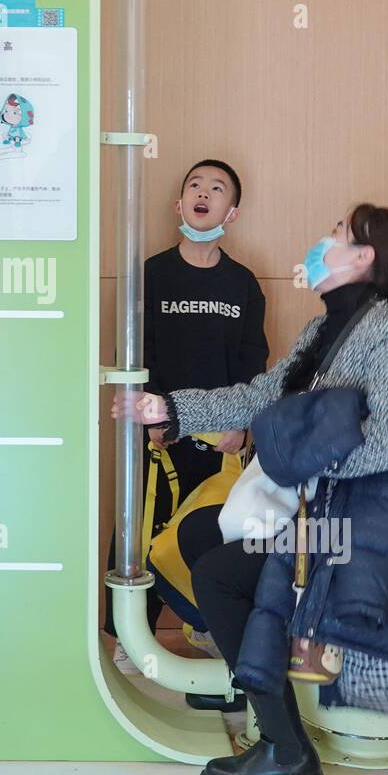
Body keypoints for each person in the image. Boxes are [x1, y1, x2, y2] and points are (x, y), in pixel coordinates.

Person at [113, 204, 388, 775]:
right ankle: (252, 686)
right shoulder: (325, 335)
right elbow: (258, 397)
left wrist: (303, 455)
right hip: (329, 525)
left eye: (338, 235)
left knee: (221, 573)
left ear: (364, 257)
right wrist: (169, 409)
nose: (322, 242)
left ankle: (288, 753)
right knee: (198, 536)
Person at [105, 159, 268, 671]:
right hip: (158, 433)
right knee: (140, 531)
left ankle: (208, 626)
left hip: (221, 441)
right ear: (179, 205)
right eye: (194, 186)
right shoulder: (151, 274)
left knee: (213, 530)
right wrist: (150, 414)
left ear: (232, 211)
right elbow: (134, 352)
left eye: (216, 188)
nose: (204, 193)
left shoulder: (242, 285)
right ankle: (129, 636)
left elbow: (252, 363)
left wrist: (243, 423)